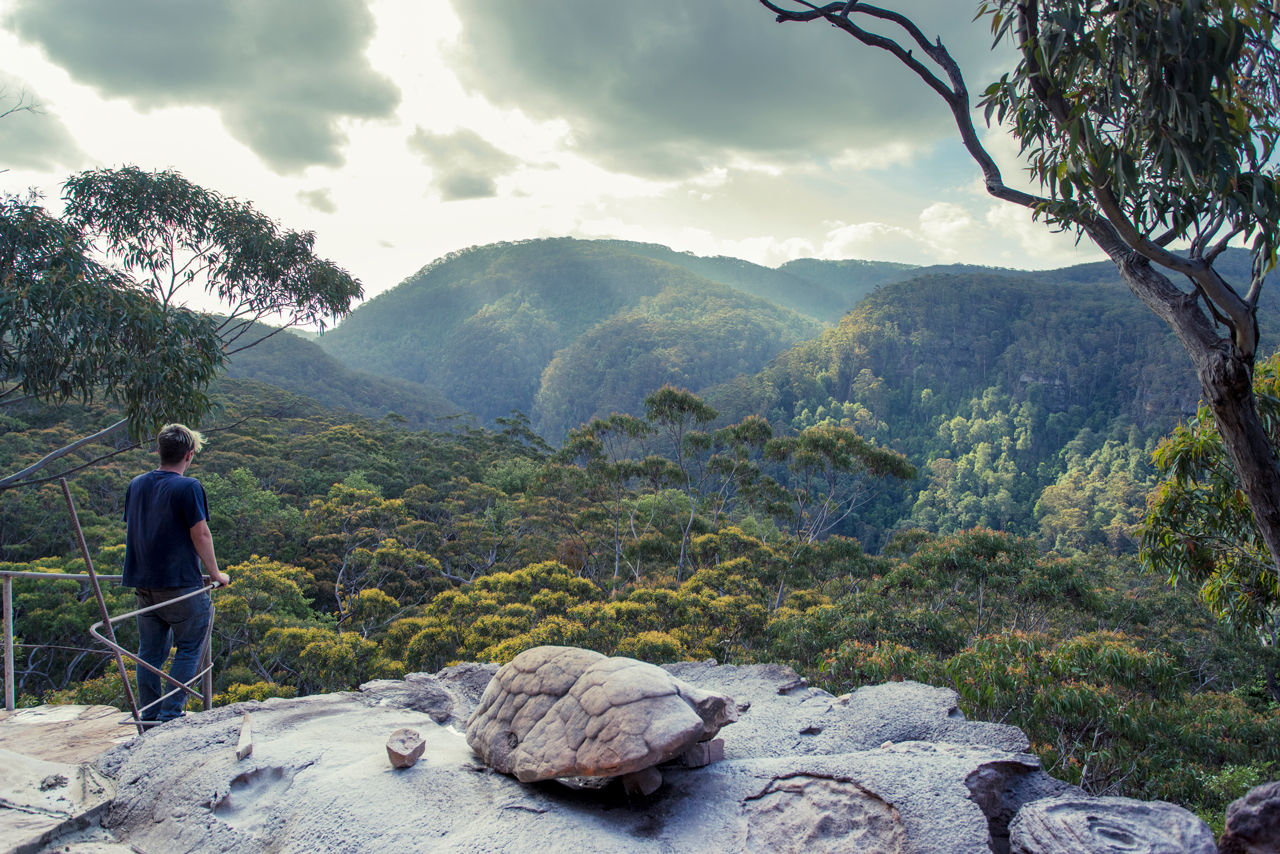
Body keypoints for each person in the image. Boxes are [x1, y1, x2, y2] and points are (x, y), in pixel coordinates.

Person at [122, 423, 230, 724]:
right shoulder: (188, 487)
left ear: (158, 451)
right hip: (180, 583)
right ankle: (171, 714)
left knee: (150, 654)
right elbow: (201, 534)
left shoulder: (137, 484)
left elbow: (136, 527)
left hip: (143, 583)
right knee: (190, 646)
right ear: (189, 455)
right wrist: (216, 574)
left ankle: (150, 716)